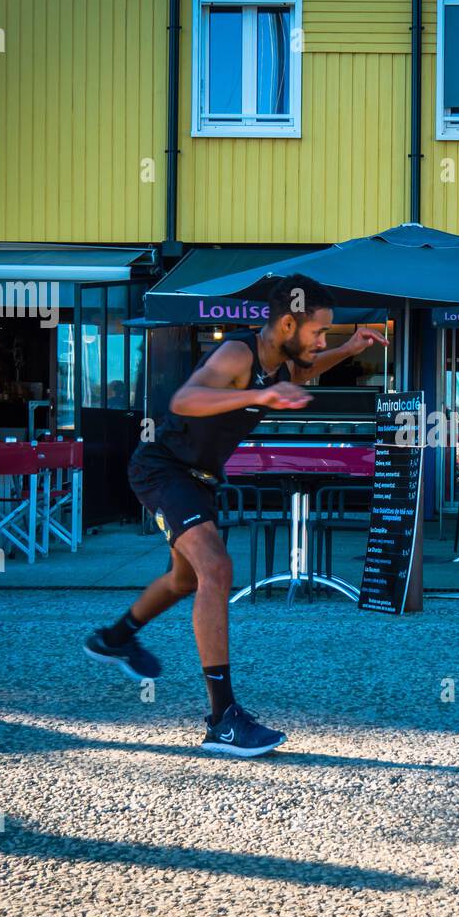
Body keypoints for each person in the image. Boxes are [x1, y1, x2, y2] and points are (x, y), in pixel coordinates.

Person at [84, 275, 387, 757]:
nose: (320, 341)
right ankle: (223, 720)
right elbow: (185, 399)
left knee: (186, 580)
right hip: (163, 471)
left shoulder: (282, 358)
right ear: (287, 322)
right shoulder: (238, 355)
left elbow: (303, 374)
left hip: (199, 480)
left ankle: (114, 638)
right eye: (319, 333)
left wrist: (348, 349)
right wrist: (256, 397)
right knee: (217, 569)